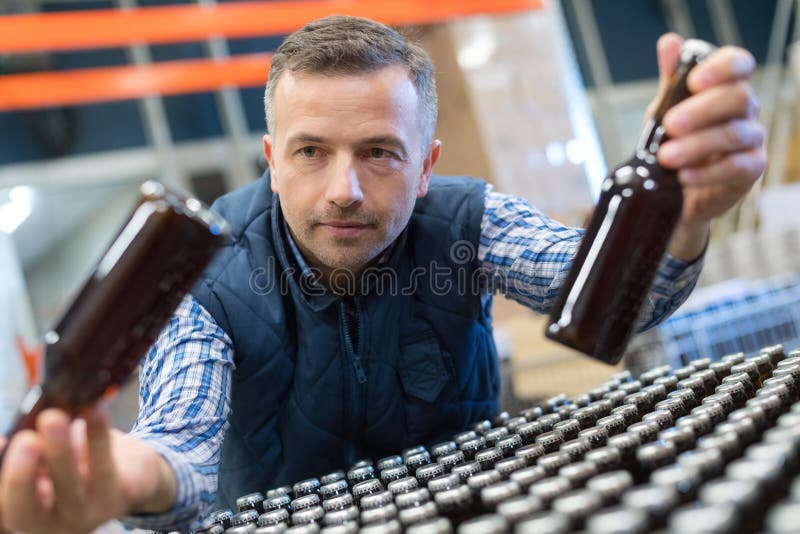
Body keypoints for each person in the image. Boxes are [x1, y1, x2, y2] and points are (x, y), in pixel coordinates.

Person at [0, 14, 765, 533]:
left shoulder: (467, 226)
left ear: (426, 164)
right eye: (310, 153)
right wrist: (120, 482)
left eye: (378, 152)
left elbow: (614, 298)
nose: (344, 189)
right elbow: (182, 448)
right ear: (271, 160)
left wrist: (684, 214)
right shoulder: (208, 275)